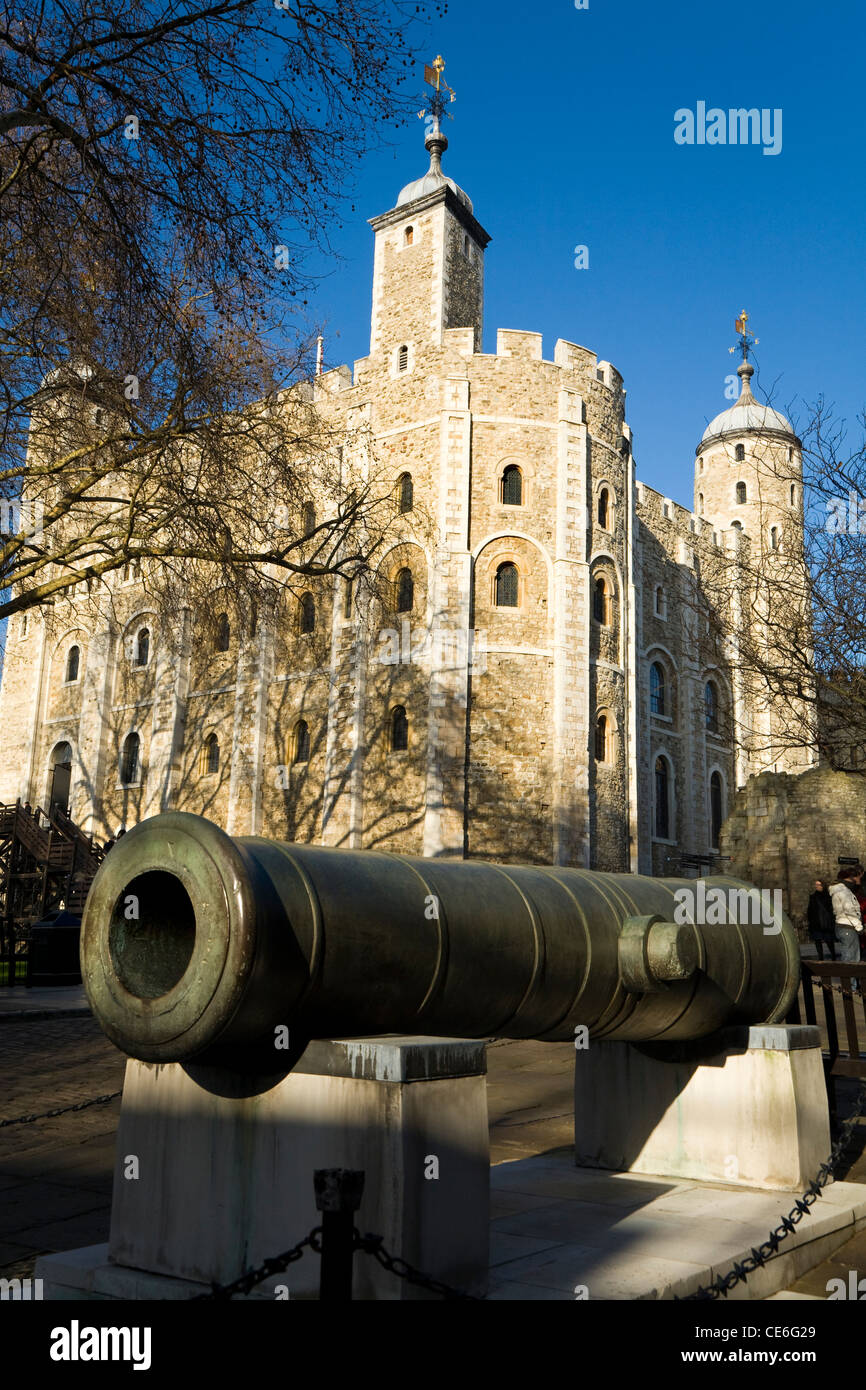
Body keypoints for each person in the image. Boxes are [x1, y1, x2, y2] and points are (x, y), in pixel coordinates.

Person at [829, 868, 863, 992]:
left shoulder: (841, 890)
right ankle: (849, 986)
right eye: (852, 878)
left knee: (851, 957)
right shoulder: (842, 891)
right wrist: (859, 926)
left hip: (845, 926)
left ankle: (851, 985)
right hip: (848, 927)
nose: (855, 880)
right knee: (851, 958)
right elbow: (849, 911)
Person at [806, 879, 837, 960]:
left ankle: (833, 956)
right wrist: (810, 920)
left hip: (826, 922)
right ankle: (820, 957)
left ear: (823, 885)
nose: (817, 886)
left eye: (818, 885)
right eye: (816, 885)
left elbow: (831, 910)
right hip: (816, 923)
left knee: (829, 941)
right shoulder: (813, 897)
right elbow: (810, 910)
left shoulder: (828, 896)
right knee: (817, 940)